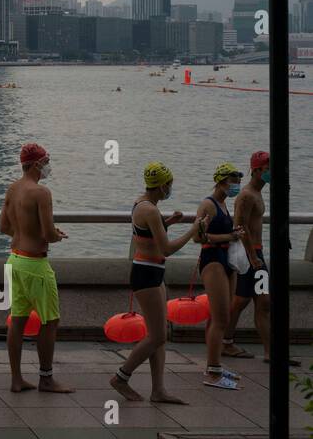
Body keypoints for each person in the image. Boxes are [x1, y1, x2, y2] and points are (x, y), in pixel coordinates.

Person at [109, 162, 194, 403]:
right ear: (163, 185)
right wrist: (193, 230)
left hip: (152, 271)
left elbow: (148, 234)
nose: (171, 189)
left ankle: (158, 390)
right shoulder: (150, 210)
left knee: (158, 334)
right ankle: (121, 377)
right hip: (147, 273)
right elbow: (166, 248)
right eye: (170, 185)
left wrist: (170, 222)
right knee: (158, 336)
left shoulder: (142, 204)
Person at [0, 142, 72, 393]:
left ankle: (16, 379)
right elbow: (49, 234)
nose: (48, 166)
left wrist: (26, 232)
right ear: (36, 164)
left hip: (15, 259)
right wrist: (56, 235)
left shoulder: (12, 189)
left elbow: (4, 227)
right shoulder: (41, 193)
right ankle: (46, 378)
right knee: (50, 321)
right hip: (35, 264)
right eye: (46, 161)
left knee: (17, 320)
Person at [225, 151, 283, 364]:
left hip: (256, 253)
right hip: (249, 254)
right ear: (256, 170)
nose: (271, 174)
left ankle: (269, 352)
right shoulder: (247, 195)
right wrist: (251, 255)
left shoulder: (258, 193)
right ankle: (226, 342)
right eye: (268, 170)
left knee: (263, 301)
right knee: (242, 300)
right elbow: (239, 226)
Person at [195, 162, 247, 389]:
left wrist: (232, 235)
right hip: (212, 260)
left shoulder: (225, 205)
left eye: (238, 180)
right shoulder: (208, 204)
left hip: (226, 260)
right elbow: (199, 237)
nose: (236, 185)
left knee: (218, 316)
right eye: (234, 180)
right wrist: (229, 236)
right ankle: (213, 374)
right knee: (222, 319)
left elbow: (221, 233)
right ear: (222, 181)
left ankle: (213, 365)